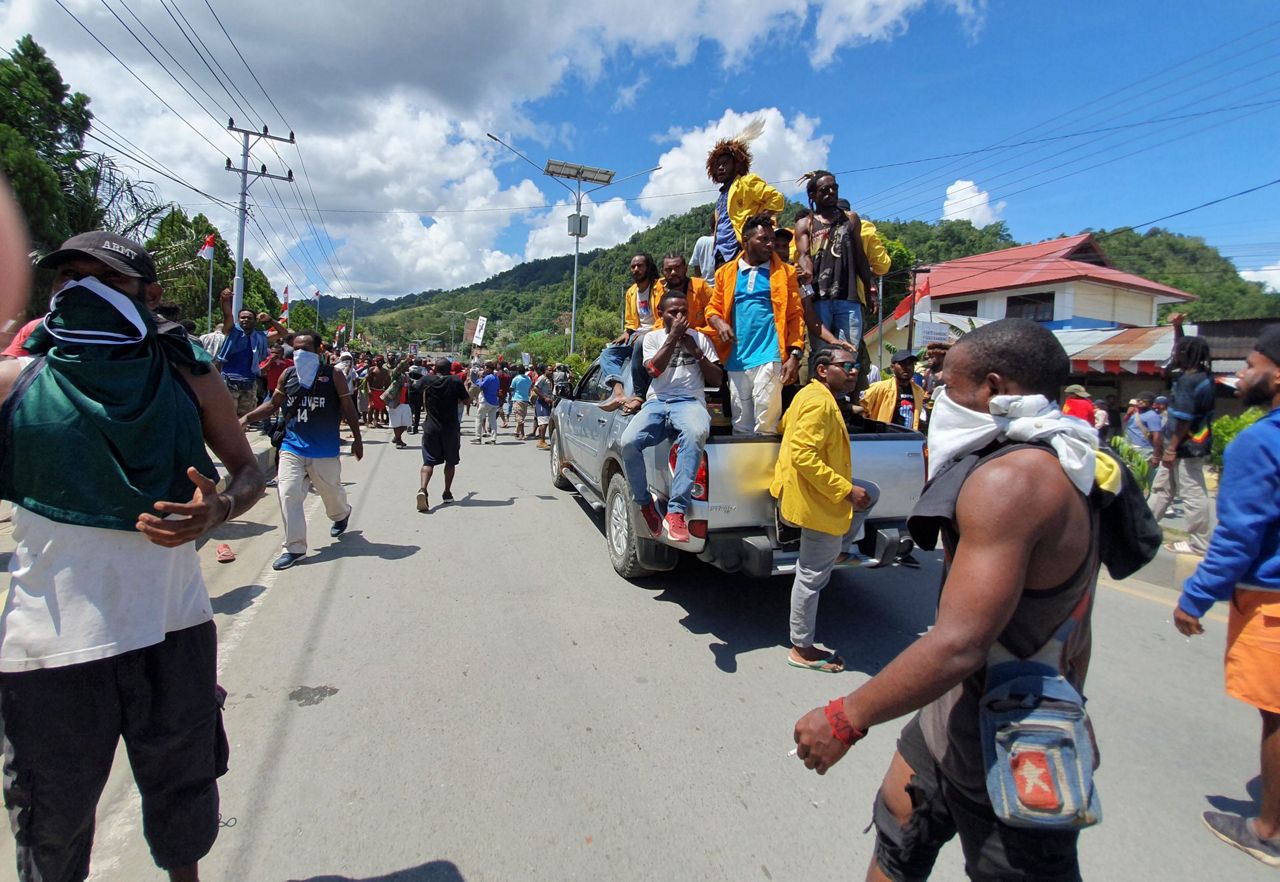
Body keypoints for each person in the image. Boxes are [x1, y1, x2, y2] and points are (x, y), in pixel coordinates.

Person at [792, 318, 1103, 881]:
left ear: (993, 389)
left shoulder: (1015, 480)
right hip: (952, 711)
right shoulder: (1068, 455)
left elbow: (959, 643)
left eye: (948, 386)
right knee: (898, 828)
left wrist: (844, 717)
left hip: (1013, 736)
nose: (937, 398)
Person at [0, 230, 265, 882]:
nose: (81, 291)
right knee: (51, 828)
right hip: (51, 651)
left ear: (149, 296)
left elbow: (247, 471)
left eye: (106, 279)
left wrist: (219, 511)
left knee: (184, 802)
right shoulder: (16, 380)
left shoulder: (189, 376)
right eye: (68, 278)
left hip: (172, 629)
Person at [1174, 326, 1280, 866]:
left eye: (1251, 365)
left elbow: (1239, 537)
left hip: (1271, 601)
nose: (1240, 375)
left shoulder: (1259, 443)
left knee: (1276, 714)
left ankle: (1268, 830)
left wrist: (1195, 597)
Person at [771, 346, 875, 673]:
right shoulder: (819, 402)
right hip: (816, 501)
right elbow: (803, 455)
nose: (854, 370)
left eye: (855, 365)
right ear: (822, 370)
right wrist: (845, 490)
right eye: (846, 365)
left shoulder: (809, 395)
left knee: (870, 493)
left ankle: (840, 550)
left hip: (809, 493)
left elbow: (784, 425)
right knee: (811, 577)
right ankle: (801, 648)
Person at [240, 330, 362, 570]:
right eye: (296, 349)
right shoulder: (288, 374)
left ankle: (341, 514)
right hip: (292, 445)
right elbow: (273, 404)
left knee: (331, 493)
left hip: (324, 449)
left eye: (305, 349)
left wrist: (357, 439)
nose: (299, 354)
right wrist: (245, 418)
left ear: (319, 350)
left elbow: (348, 406)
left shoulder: (333, 375)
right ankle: (294, 548)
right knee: (288, 493)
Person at [620, 291, 723, 542]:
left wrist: (696, 352)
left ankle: (676, 512)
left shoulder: (700, 338)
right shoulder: (652, 338)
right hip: (657, 402)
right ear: (660, 314)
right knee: (628, 442)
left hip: (689, 402)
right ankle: (645, 504)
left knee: (696, 432)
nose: (679, 316)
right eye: (673, 312)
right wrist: (674, 337)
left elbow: (717, 379)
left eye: (683, 312)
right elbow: (653, 370)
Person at [706, 214, 805, 436]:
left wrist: (794, 354)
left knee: (766, 426)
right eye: (763, 239)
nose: (770, 244)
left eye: (772, 239)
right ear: (745, 241)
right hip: (737, 359)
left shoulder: (785, 273)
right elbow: (711, 309)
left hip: (770, 356)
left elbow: (795, 316)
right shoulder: (725, 273)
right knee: (741, 425)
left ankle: (765, 460)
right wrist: (719, 323)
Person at [794, 171, 891, 358]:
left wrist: (871, 290)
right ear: (813, 195)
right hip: (819, 298)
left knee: (849, 355)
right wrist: (806, 271)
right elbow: (804, 255)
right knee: (822, 355)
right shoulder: (805, 224)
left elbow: (860, 256)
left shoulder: (851, 219)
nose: (831, 192)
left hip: (848, 297)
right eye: (825, 189)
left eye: (834, 188)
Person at [1149, 333, 1216, 554]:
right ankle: (1143, 531)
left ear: (1186, 355)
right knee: (1161, 489)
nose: (1174, 354)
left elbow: (1184, 420)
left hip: (1186, 445)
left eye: (1177, 351)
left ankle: (1199, 543)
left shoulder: (1189, 381)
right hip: (1187, 444)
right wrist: (1178, 328)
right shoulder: (1203, 375)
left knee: (1192, 493)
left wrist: (1171, 449)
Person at [706, 118, 784, 268]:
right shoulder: (722, 196)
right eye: (718, 165)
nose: (720, 168)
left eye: (725, 163)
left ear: (736, 165)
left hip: (741, 249)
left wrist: (759, 221)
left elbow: (776, 198)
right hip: (720, 254)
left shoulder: (746, 182)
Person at [418, 356, 470, 512]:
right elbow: (467, 401)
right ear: (450, 370)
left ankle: (423, 489)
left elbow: (414, 391)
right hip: (450, 429)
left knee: (428, 462)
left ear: (435, 369)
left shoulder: (427, 380)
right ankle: (447, 492)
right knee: (450, 461)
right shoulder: (455, 381)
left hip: (431, 428)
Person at [215, 287, 269, 419]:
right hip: (229, 381)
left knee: (244, 419)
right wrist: (225, 300)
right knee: (227, 417)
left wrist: (270, 320)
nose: (245, 320)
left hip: (249, 383)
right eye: (242, 317)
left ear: (255, 321)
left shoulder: (260, 337)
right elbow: (228, 315)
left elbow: (284, 334)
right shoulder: (232, 331)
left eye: (249, 318)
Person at [862, 350, 925, 429]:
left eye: (910, 364)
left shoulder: (918, 391)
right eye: (902, 364)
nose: (907, 367)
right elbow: (862, 407)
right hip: (886, 434)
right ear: (892, 367)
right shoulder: (879, 388)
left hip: (909, 436)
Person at [1124, 393, 1164, 481]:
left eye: (1144, 401)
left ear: (1151, 403)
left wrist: (1156, 456)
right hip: (1130, 449)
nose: (1140, 402)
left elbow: (1157, 436)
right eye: (1138, 400)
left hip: (1144, 450)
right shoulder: (1136, 414)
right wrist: (1128, 414)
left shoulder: (1152, 416)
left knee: (1145, 478)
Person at [383, 355, 414, 448]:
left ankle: (397, 437)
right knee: (396, 424)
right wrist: (406, 359)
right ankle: (398, 441)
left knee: (407, 423)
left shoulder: (406, 376)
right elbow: (398, 369)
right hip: (395, 402)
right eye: (406, 364)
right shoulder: (395, 374)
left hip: (405, 403)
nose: (408, 365)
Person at [471, 360, 501, 444]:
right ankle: (493, 439)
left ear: (489, 368)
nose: (484, 370)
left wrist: (479, 379)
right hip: (494, 402)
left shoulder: (488, 377)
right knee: (493, 421)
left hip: (486, 401)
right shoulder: (496, 378)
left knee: (479, 418)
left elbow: (481, 386)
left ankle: (478, 438)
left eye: (485, 368)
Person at [533, 363, 555, 449]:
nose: (551, 372)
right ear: (545, 371)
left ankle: (541, 441)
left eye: (552, 370)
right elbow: (535, 388)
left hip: (548, 402)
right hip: (542, 402)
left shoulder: (550, 379)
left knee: (545, 422)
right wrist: (544, 397)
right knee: (544, 422)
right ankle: (542, 441)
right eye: (549, 370)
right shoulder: (542, 378)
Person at [366, 356, 390, 427]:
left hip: (380, 390)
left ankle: (376, 421)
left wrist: (386, 390)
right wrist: (369, 389)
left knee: (378, 407)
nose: (379, 362)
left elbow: (386, 382)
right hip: (373, 390)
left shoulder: (385, 371)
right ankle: (369, 421)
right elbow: (368, 380)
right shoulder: (372, 369)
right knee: (371, 406)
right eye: (378, 361)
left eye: (380, 361)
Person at [510, 364, 533, 440]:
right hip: (525, 399)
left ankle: (522, 434)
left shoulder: (516, 378)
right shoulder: (528, 378)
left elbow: (512, 388)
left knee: (519, 418)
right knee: (522, 417)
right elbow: (530, 387)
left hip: (517, 399)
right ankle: (517, 431)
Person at [408, 363, 427, 434]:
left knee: (410, 411)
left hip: (411, 395)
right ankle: (415, 427)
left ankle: (409, 425)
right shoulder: (422, 375)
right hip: (418, 395)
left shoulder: (409, 374)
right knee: (417, 412)